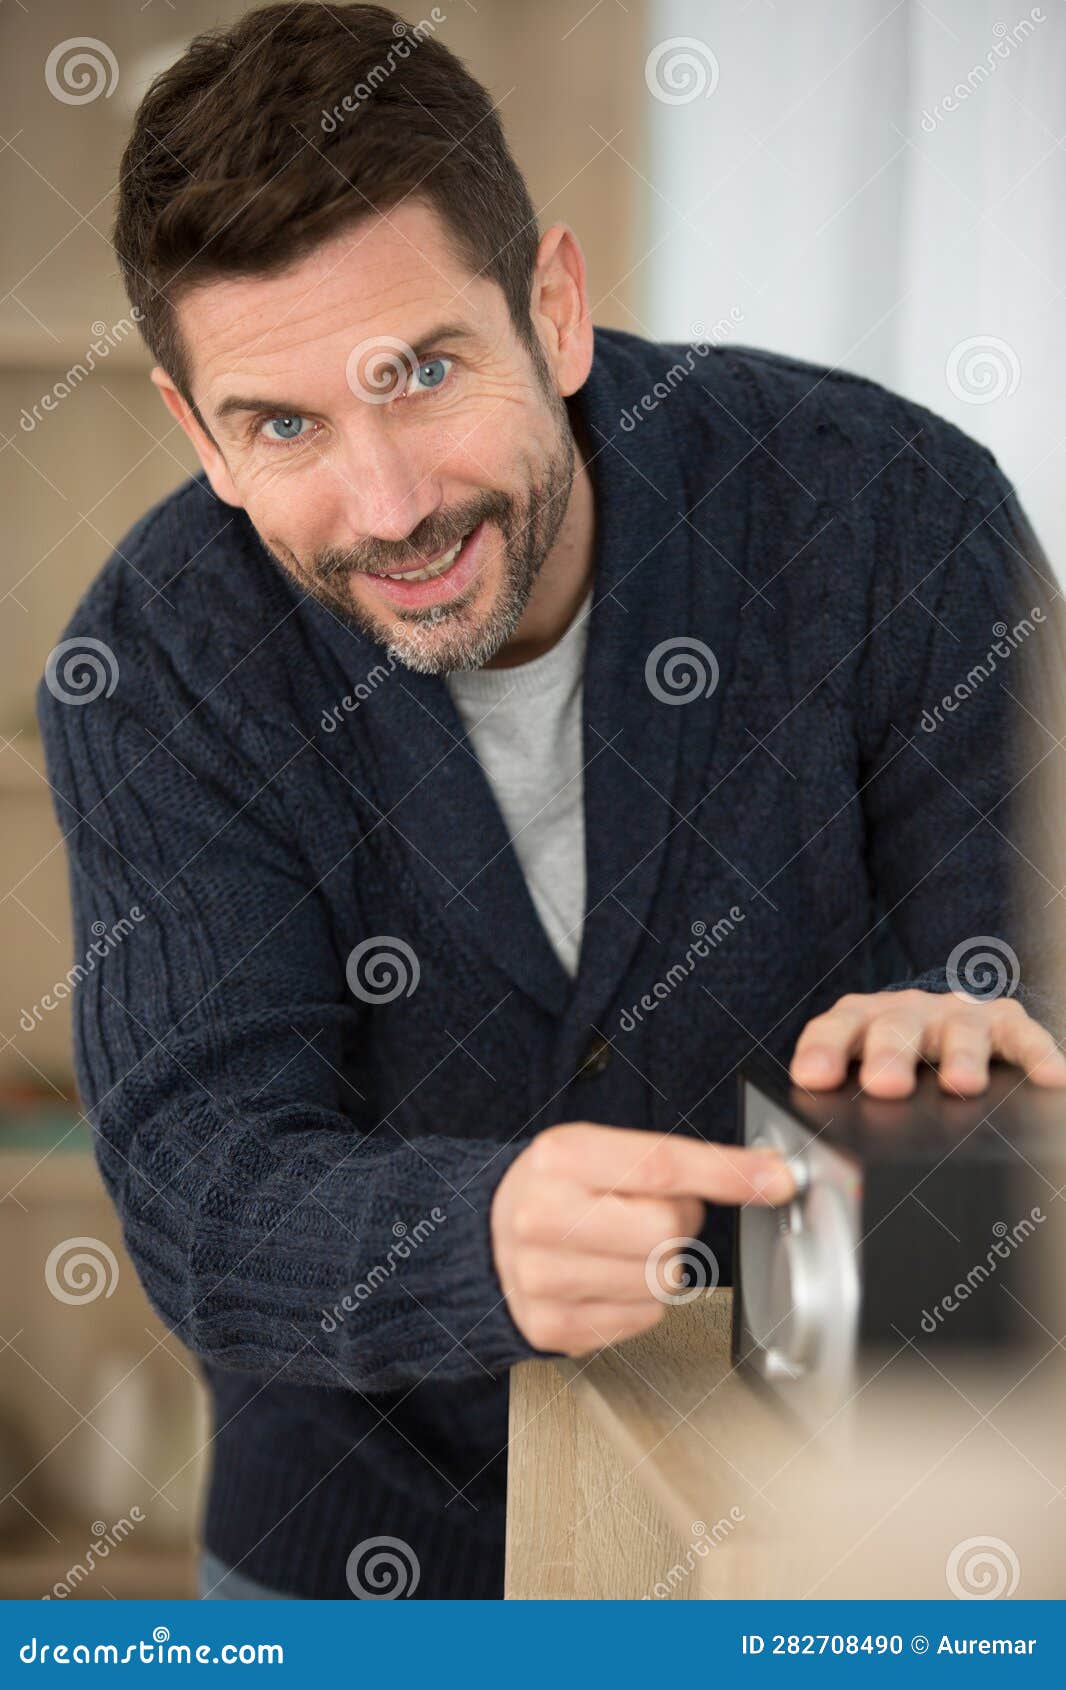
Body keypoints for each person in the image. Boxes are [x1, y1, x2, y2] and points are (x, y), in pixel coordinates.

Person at [37, 3, 1066, 1602]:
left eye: (424, 370)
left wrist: (982, 1040)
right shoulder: (152, 659)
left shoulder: (896, 517)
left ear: (556, 307)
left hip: (832, 1537)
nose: (389, 506)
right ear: (198, 434)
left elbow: (1017, 972)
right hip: (348, 1561)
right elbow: (195, 1181)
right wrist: (474, 1235)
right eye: (283, 423)